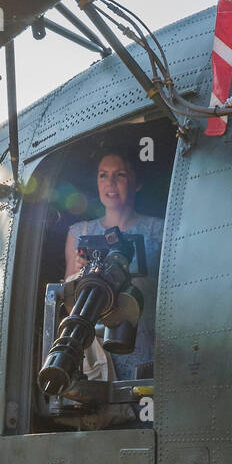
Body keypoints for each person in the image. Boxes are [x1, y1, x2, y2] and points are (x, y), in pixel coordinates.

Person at [63, 152, 163, 379]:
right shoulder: (80, 233)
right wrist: (79, 274)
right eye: (103, 175)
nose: (110, 182)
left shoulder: (158, 230)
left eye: (120, 175)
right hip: (100, 351)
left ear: (137, 183)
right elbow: (69, 304)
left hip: (148, 340)